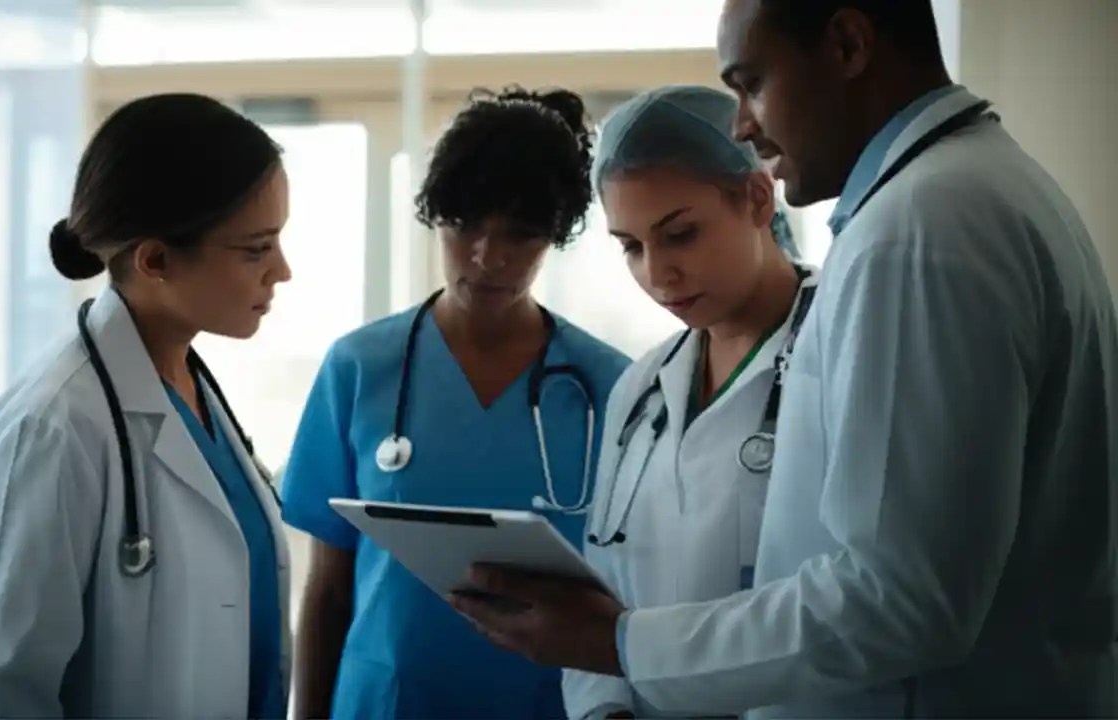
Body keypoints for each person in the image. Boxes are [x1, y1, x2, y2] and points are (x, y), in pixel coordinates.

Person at [452, 0, 1118, 716]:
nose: (744, 124)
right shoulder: (972, 191)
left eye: (753, 82)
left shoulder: (918, 227)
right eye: (631, 245)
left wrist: (622, 645)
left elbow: (901, 600)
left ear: (848, 43)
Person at [282, 86, 631, 720]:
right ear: (434, 216)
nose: (487, 257)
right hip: (386, 701)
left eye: (520, 235)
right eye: (465, 225)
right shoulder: (359, 368)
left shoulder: (610, 386)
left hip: (549, 703)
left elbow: (634, 588)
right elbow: (328, 589)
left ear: (555, 234)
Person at [0, 93, 294, 720]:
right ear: (155, 259)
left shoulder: (190, 388)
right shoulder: (52, 427)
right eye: (256, 249)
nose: (283, 271)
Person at [558, 84, 816, 720]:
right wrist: (604, 710)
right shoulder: (639, 389)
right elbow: (603, 593)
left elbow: (862, 601)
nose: (657, 273)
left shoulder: (839, 353)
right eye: (632, 246)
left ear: (758, 199)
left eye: (681, 234)